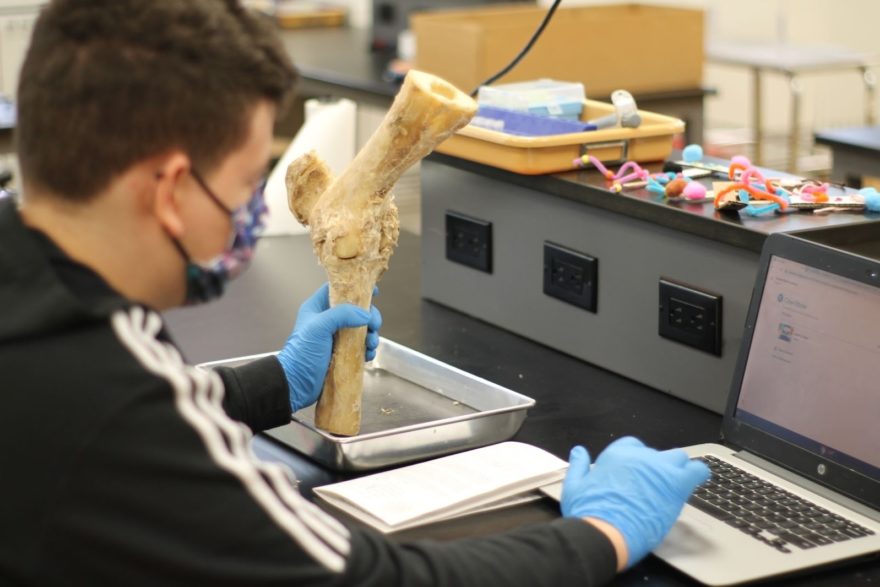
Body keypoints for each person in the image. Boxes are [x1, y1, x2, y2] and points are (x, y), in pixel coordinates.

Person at [0, 1, 709, 584]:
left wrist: (275, 381)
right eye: (246, 188)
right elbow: (369, 578)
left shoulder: (41, 301)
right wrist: (603, 531)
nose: (248, 218)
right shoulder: (110, 397)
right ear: (170, 191)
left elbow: (148, 404)